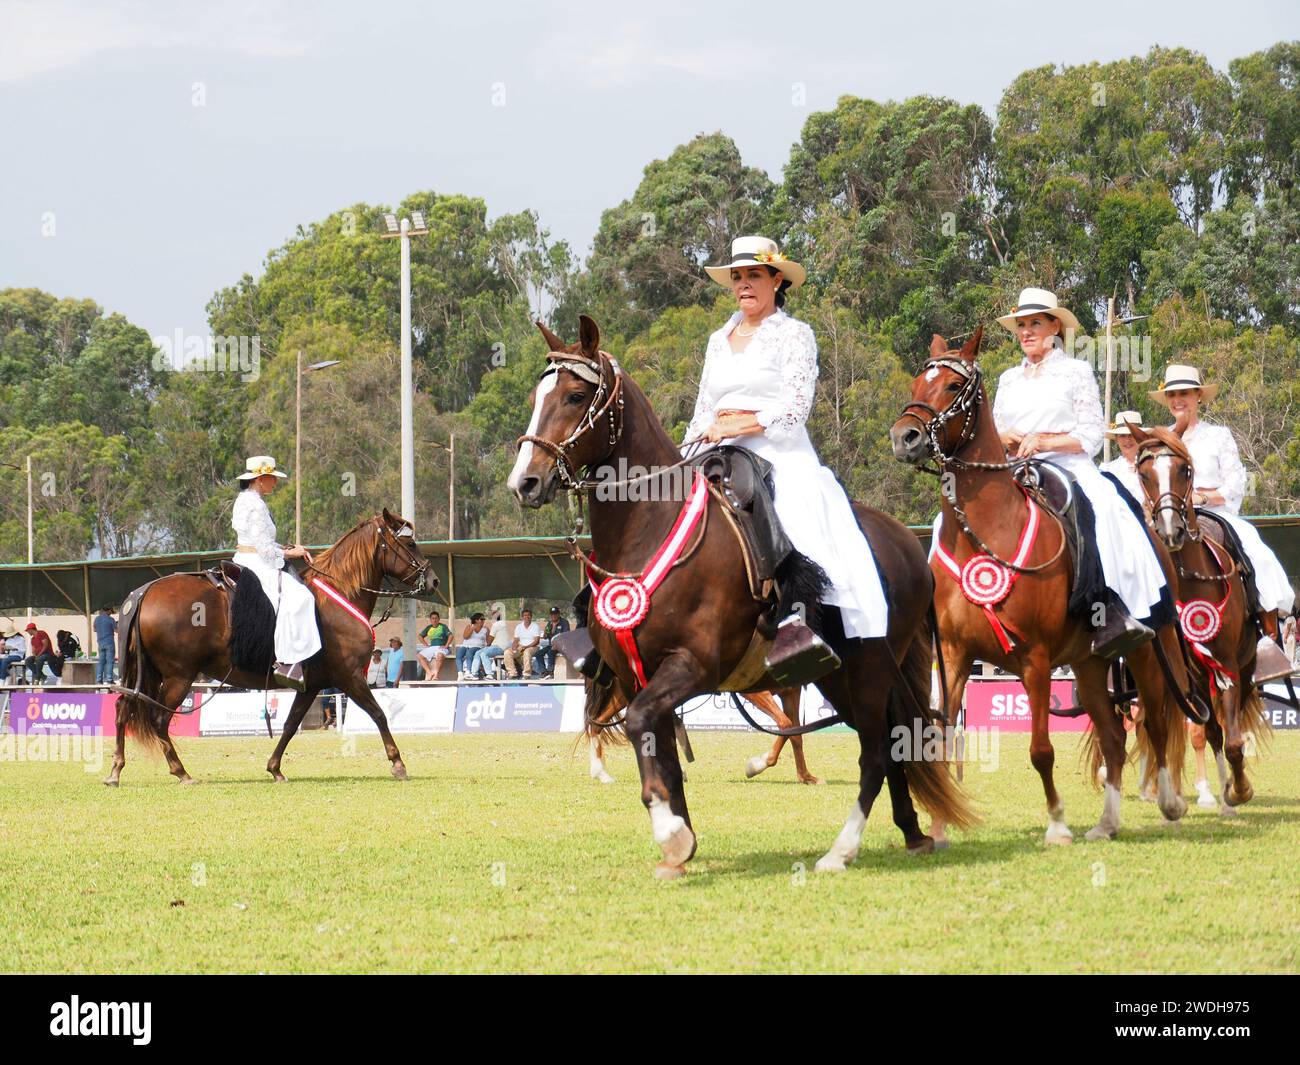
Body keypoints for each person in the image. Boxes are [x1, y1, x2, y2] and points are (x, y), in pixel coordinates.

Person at [684, 235, 888, 667]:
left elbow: (795, 409)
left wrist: (738, 423)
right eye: (737, 277)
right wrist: (686, 448)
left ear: (777, 280)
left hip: (776, 450)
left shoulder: (796, 334)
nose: (744, 285)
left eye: (754, 275)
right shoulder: (717, 340)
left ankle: (798, 619)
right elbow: (703, 407)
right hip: (716, 448)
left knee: (792, 508)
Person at [987, 287, 1170, 658]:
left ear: (1054, 326)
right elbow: (995, 430)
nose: (1026, 332)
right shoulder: (1008, 379)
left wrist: (1043, 441)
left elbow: (1088, 436)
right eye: (1021, 325)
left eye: (1035, 323)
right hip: (1013, 468)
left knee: (1104, 514)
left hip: (1067, 467)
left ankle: (1110, 612)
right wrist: (1002, 436)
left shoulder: (1076, 371)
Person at [1149, 363, 1296, 680]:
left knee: (1258, 552)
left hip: (1214, 513)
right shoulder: (1159, 440)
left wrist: (1202, 498)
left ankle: (1268, 637)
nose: (1178, 400)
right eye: (1172, 394)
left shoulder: (1219, 436)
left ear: (1198, 396)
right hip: (1169, 516)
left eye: (1184, 393)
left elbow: (1234, 485)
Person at [231, 455, 321, 690]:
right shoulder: (256, 505)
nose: (275, 482)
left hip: (246, 555)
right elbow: (265, 550)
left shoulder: (245, 499)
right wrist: (292, 554)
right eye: (272, 478)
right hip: (257, 562)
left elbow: (260, 541)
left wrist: (287, 548)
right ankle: (288, 661)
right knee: (301, 598)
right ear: (260, 479)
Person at [1098, 411, 1144, 503]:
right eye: (1122, 436)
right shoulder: (1108, 471)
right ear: (1116, 438)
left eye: (1131, 435)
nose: (1127, 440)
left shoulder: (1153, 466)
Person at [470, 606, 510, 680]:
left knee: (483, 653)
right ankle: (474, 674)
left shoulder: (496, 625)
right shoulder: (502, 623)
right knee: (478, 652)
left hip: (500, 647)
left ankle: (489, 674)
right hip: (496, 646)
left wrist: (485, 644)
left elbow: (489, 641)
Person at [503, 607, 541, 679]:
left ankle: (527, 674)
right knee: (507, 652)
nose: (527, 617)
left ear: (531, 616)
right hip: (521, 646)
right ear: (522, 617)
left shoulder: (535, 626)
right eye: (525, 615)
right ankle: (512, 673)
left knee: (527, 652)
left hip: (533, 647)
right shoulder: (519, 627)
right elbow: (516, 640)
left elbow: (536, 641)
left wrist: (526, 647)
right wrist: (514, 647)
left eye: (528, 615)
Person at [416, 610, 452, 680]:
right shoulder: (429, 627)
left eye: (436, 618)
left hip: (441, 647)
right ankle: (429, 673)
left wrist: (446, 645)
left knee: (440, 655)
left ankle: (436, 674)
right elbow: (420, 636)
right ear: (430, 620)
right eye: (433, 618)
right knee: (419, 656)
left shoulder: (443, 626)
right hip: (432, 647)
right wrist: (426, 645)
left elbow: (451, 636)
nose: (434, 620)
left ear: (439, 619)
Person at [535, 606, 569, 679]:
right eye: (552, 614)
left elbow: (566, 636)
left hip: (562, 646)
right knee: (538, 654)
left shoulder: (564, 622)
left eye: (555, 614)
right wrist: (545, 634)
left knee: (550, 652)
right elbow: (545, 636)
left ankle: (551, 672)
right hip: (551, 645)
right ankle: (544, 672)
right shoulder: (549, 623)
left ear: (559, 614)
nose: (553, 616)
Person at [457, 613, 488, 679]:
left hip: (478, 646)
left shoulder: (485, 629)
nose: (483, 621)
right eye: (481, 619)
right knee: (459, 653)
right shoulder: (469, 626)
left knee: (470, 652)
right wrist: (472, 628)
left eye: (484, 619)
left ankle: (468, 671)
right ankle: (460, 673)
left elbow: (488, 642)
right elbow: (465, 637)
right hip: (466, 645)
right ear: (476, 620)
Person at [93, 605, 117, 685]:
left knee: (101, 662)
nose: (111, 613)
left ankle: (99, 680)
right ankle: (109, 679)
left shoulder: (97, 619)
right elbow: (117, 630)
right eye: (111, 611)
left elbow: (94, 629)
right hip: (109, 643)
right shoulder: (111, 619)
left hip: (100, 643)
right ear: (109, 610)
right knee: (110, 662)